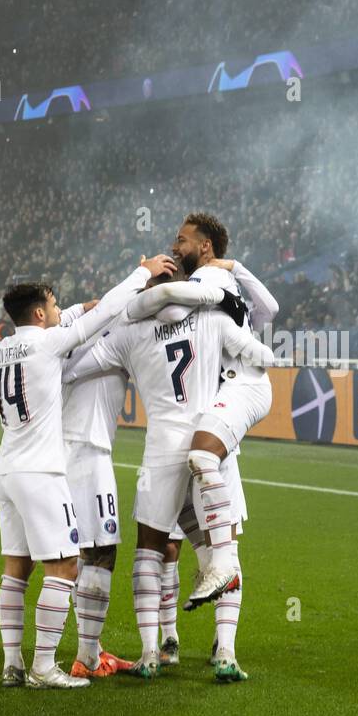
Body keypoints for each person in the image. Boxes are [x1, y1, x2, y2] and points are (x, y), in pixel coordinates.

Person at [63, 272, 267, 681]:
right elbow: (261, 356)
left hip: (161, 450)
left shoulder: (129, 332)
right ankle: (225, 651)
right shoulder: (212, 317)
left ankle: (151, 653)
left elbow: (73, 369)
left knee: (149, 551)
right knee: (222, 550)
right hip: (211, 444)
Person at [0, 256, 174, 691]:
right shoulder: (49, 346)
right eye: (54, 306)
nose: (60, 310)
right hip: (41, 470)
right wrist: (142, 273)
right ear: (40, 314)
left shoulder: (6, 347)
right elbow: (108, 310)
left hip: (5, 469)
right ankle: (45, 666)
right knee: (65, 567)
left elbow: (78, 315)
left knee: (15, 570)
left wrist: (80, 308)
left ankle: (12, 664)